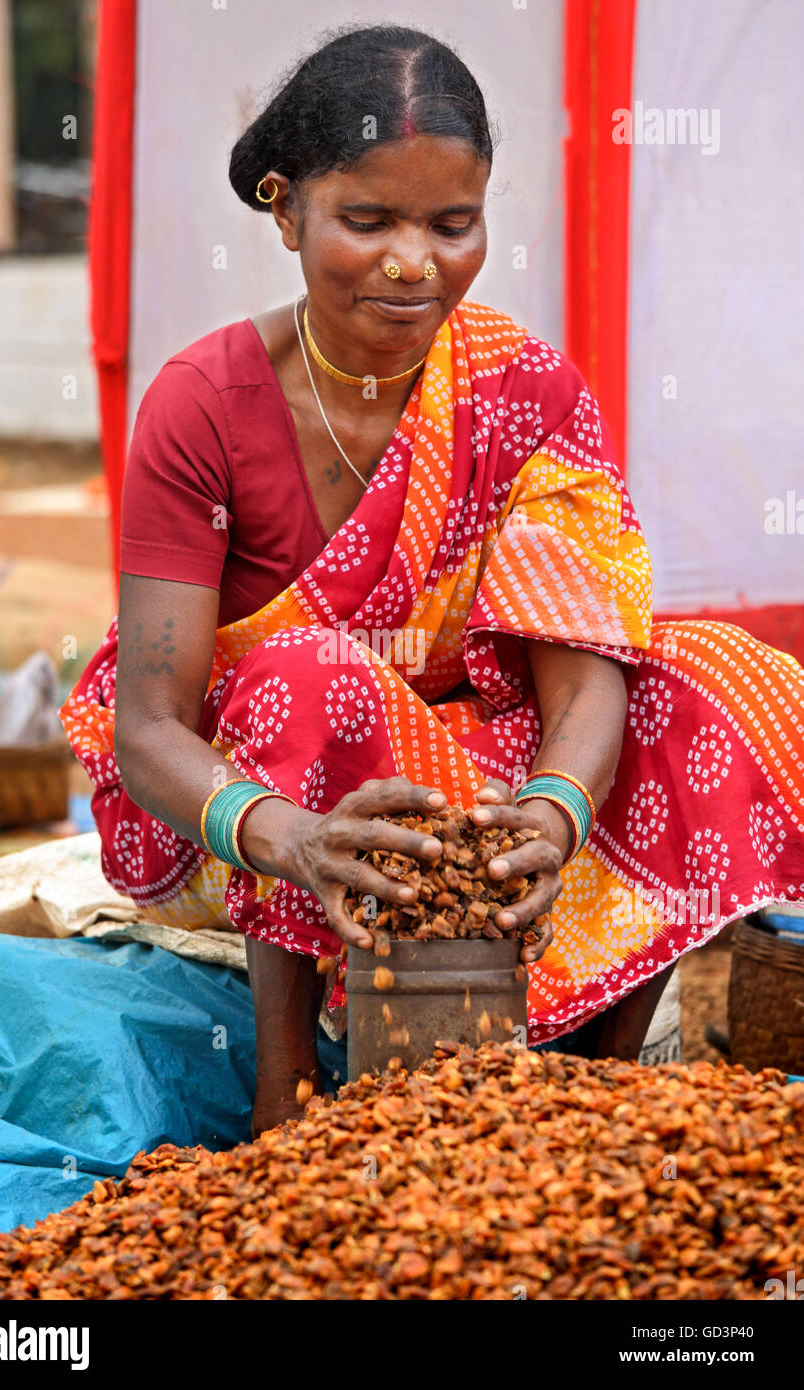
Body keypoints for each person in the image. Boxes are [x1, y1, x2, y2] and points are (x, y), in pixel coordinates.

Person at [61, 24, 804, 1135]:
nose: (414, 261)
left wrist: (548, 817)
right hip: (254, 797)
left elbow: (586, 671)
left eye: (451, 225)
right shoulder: (203, 403)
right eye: (368, 221)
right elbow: (150, 729)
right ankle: (287, 1098)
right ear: (284, 209)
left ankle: (587, 1090)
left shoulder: (522, 388)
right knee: (307, 672)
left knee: (715, 673)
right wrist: (297, 839)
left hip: (473, 764)